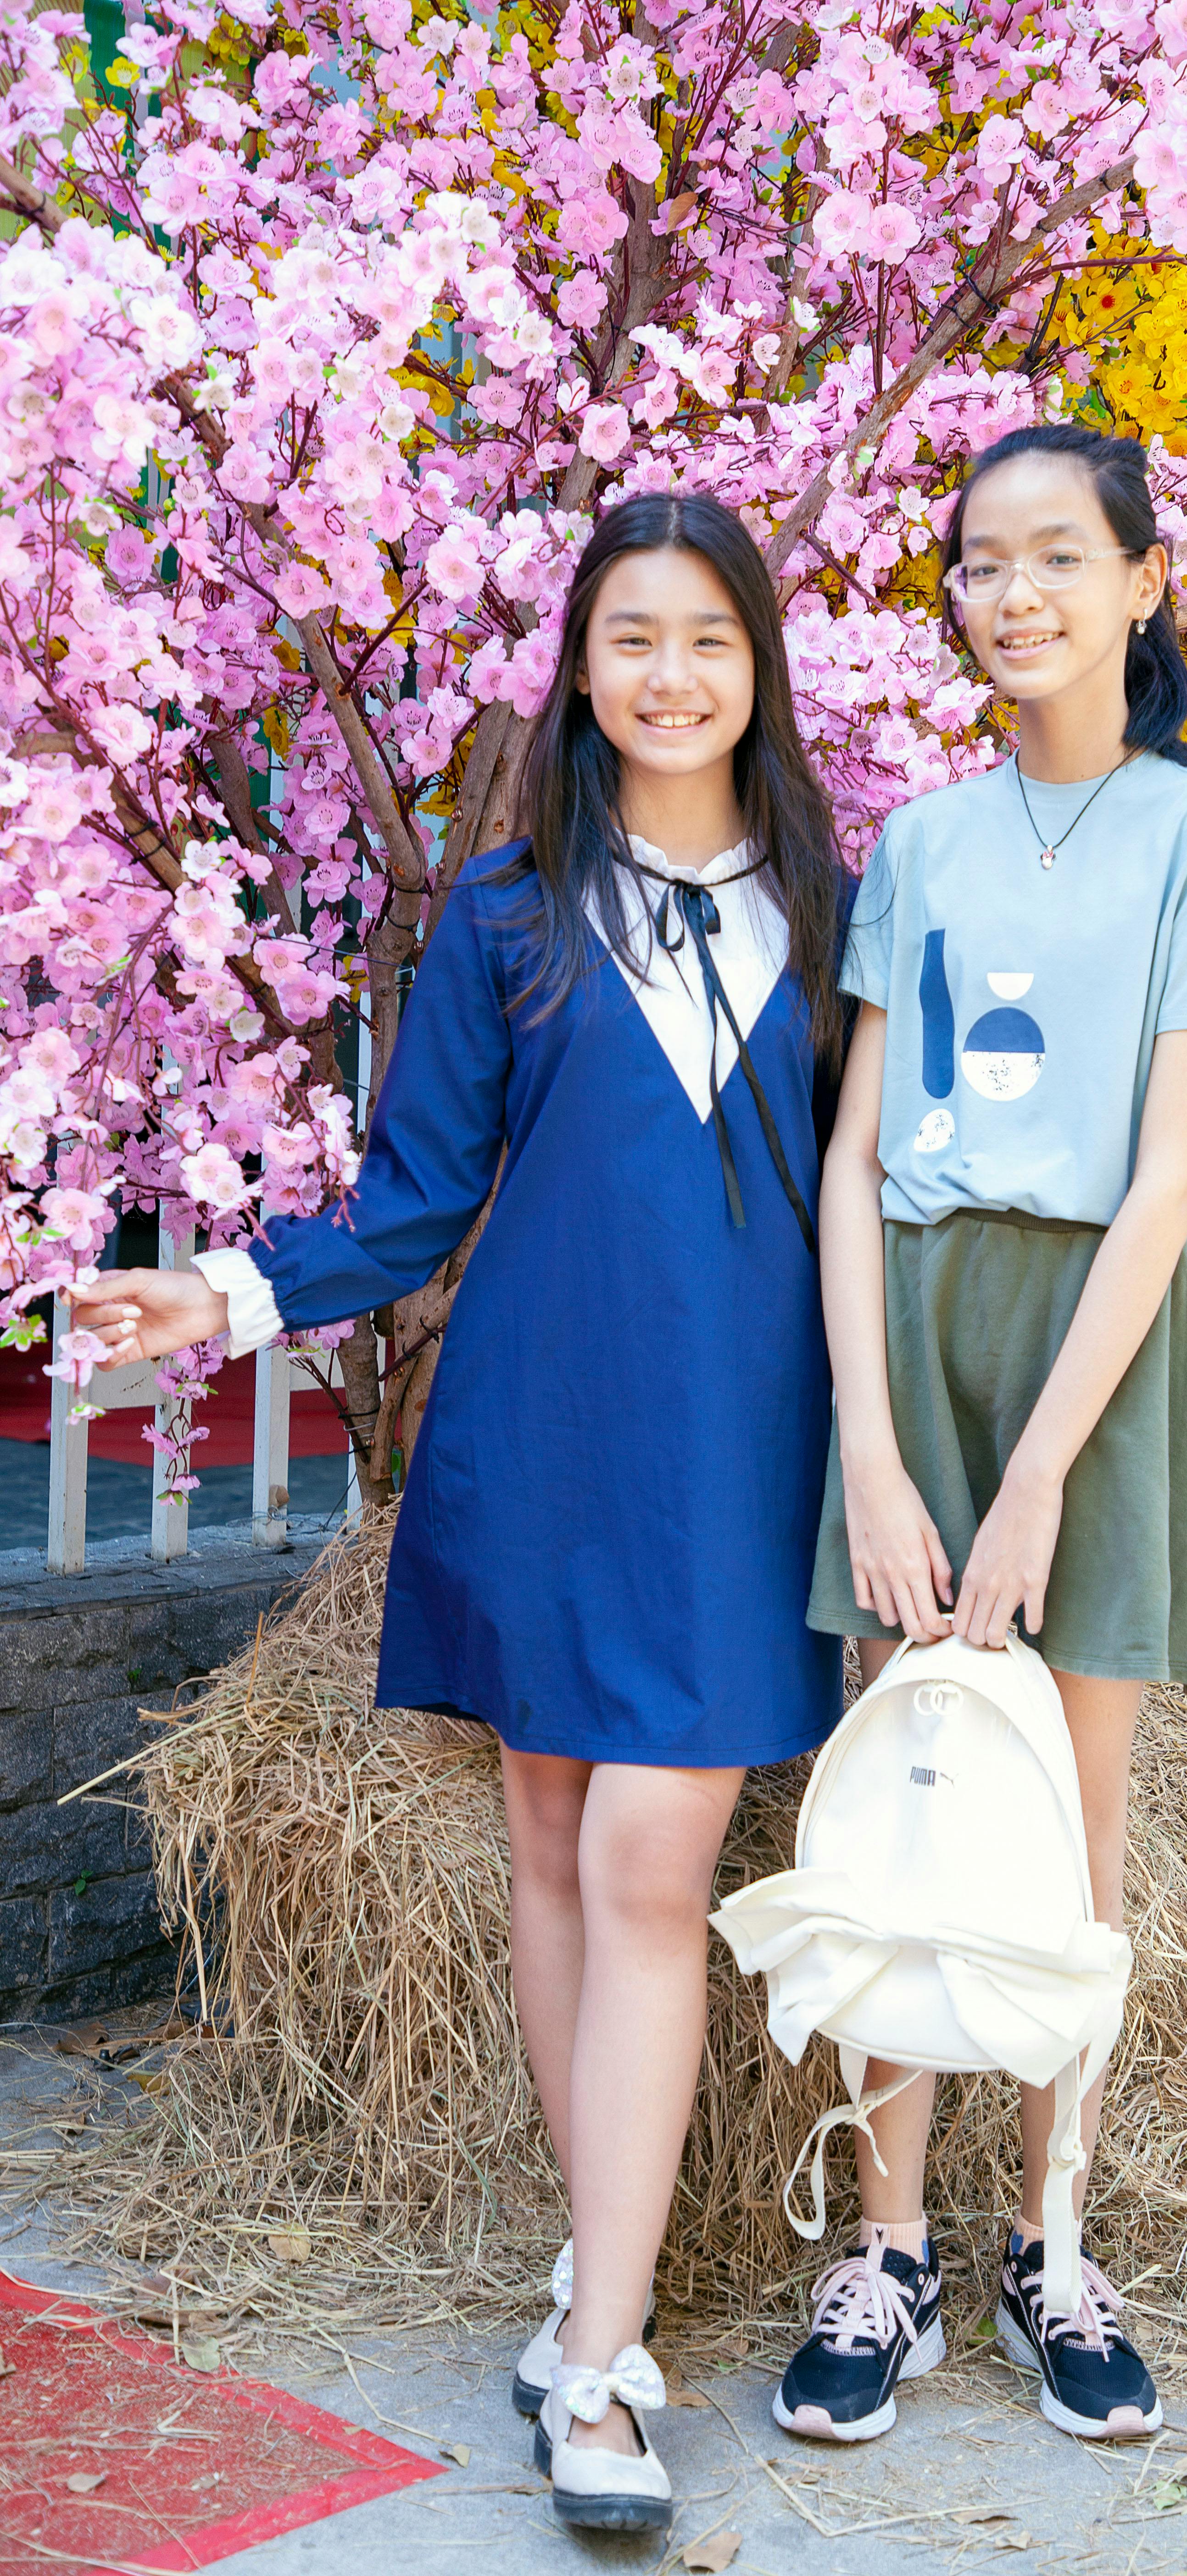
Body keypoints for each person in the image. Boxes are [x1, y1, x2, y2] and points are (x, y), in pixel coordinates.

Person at [71, 493, 849, 2535]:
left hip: (741, 1467)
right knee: (555, 1859)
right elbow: (416, 1199)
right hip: (544, 1441)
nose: (670, 673)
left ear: (760, 666)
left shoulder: (837, 913)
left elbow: (891, 1207)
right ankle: (594, 2296)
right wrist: (227, 1294)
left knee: (653, 1862)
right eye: (630, 637)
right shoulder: (511, 914)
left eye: (707, 636)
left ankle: (599, 2365)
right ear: (578, 669)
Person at [777, 422, 1187, 2448]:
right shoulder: (920, 842)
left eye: (1060, 555)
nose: (1015, 594)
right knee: (910, 1783)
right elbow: (854, 1155)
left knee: (1073, 1826)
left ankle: (1051, 2244)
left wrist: (1044, 1477)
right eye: (983, 561)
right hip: (919, 1329)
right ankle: (889, 2251)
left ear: (1144, 580)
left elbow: (1169, 1178)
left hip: (1098, 1347)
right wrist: (878, 1447)